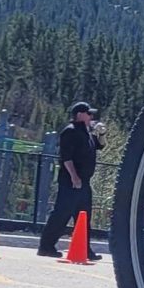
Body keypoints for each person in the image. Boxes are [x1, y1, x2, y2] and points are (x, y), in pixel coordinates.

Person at [37, 101, 105, 257]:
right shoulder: (70, 131)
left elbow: (100, 146)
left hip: (85, 181)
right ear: (80, 115)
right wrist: (74, 177)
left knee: (84, 216)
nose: (91, 117)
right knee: (62, 213)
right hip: (71, 181)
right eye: (89, 114)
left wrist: (101, 134)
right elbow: (66, 158)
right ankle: (46, 246)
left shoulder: (87, 132)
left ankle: (85, 249)